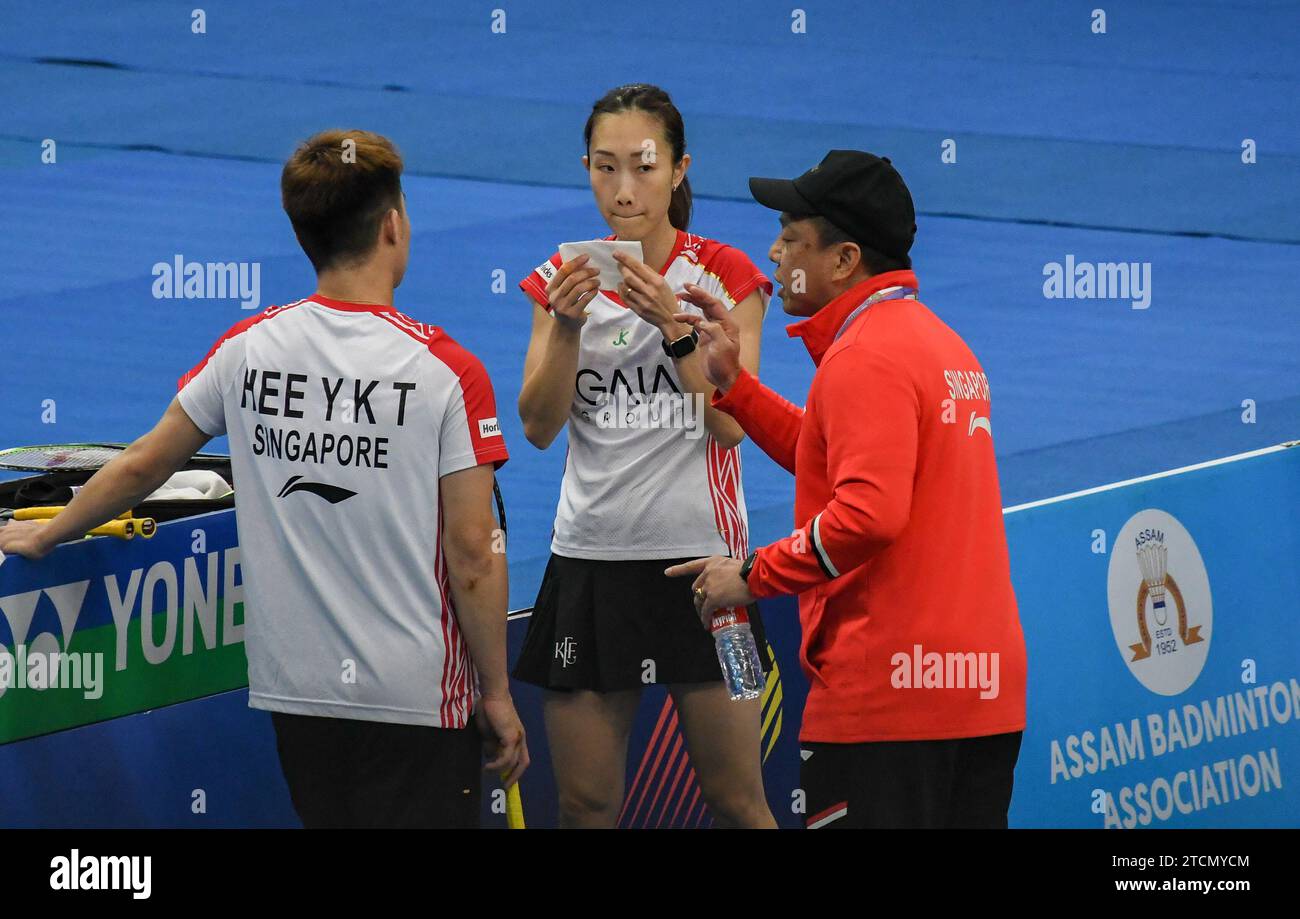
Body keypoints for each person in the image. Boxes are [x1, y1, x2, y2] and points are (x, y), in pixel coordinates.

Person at [0, 129, 527, 829]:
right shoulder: (447, 371)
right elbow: (472, 551)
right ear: (393, 226)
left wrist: (48, 533)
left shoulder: (246, 350)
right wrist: (496, 690)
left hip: (298, 694)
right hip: (416, 696)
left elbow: (142, 464)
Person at [667, 150, 1028, 829]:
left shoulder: (864, 356)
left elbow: (868, 513)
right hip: (981, 695)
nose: (773, 250)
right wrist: (735, 387)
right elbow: (832, 454)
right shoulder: (943, 346)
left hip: (888, 704)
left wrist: (751, 573)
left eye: (790, 235)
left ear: (844, 258)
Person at [513, 84, 777, 828]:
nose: (623, 189)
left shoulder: (726, 276)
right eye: (604, 167)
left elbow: (732, 427)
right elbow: (536, 426)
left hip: (711, 575)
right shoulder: (560, 276)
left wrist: (676, 328)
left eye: (643, 166)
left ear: (679, 169)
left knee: (739, 799)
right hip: (590, 569)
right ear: (586, 168)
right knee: (586, 804)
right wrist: (565, 326)